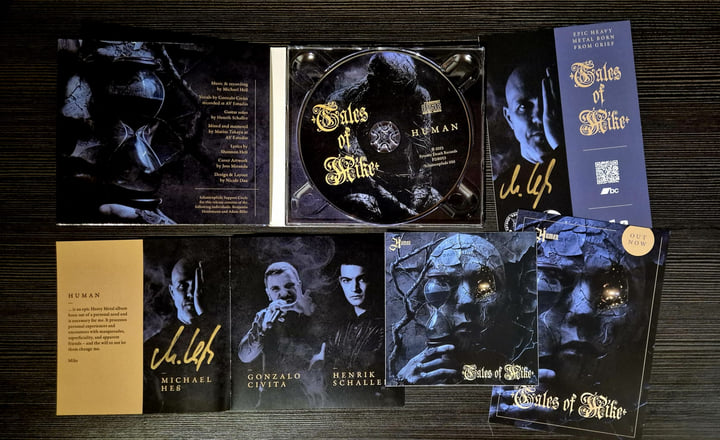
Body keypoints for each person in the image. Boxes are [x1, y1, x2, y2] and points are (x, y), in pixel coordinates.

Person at [394, 234, 522, 385]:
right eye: (444, 283)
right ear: (428, 300)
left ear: (506, 297)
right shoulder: (414, 376)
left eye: (484, 284)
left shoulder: (519, 377)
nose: (466, 300)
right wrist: (401, 386)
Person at [492, 60, 572, 228]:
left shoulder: (584, 168)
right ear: (509, 118)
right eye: (523, 107)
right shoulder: (498, 194)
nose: (539, 118)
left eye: (547, 102)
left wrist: (560, 149)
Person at [236, 261, 327, 408]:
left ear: (299, 286)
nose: (284, 294)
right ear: (268, 294)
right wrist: (262, 329)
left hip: (312, 400)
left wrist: (310, 316)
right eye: (275, 289)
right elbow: (244, 357)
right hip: (270, 400)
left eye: (289, 286)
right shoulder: (264, 316)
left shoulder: (315, 311)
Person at [143, 258, 226, 412]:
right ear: (172, 292)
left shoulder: (225, 337)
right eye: (183, 286)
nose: (191, 294)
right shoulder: (152, 349)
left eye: (197, 286)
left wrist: (203, 315)